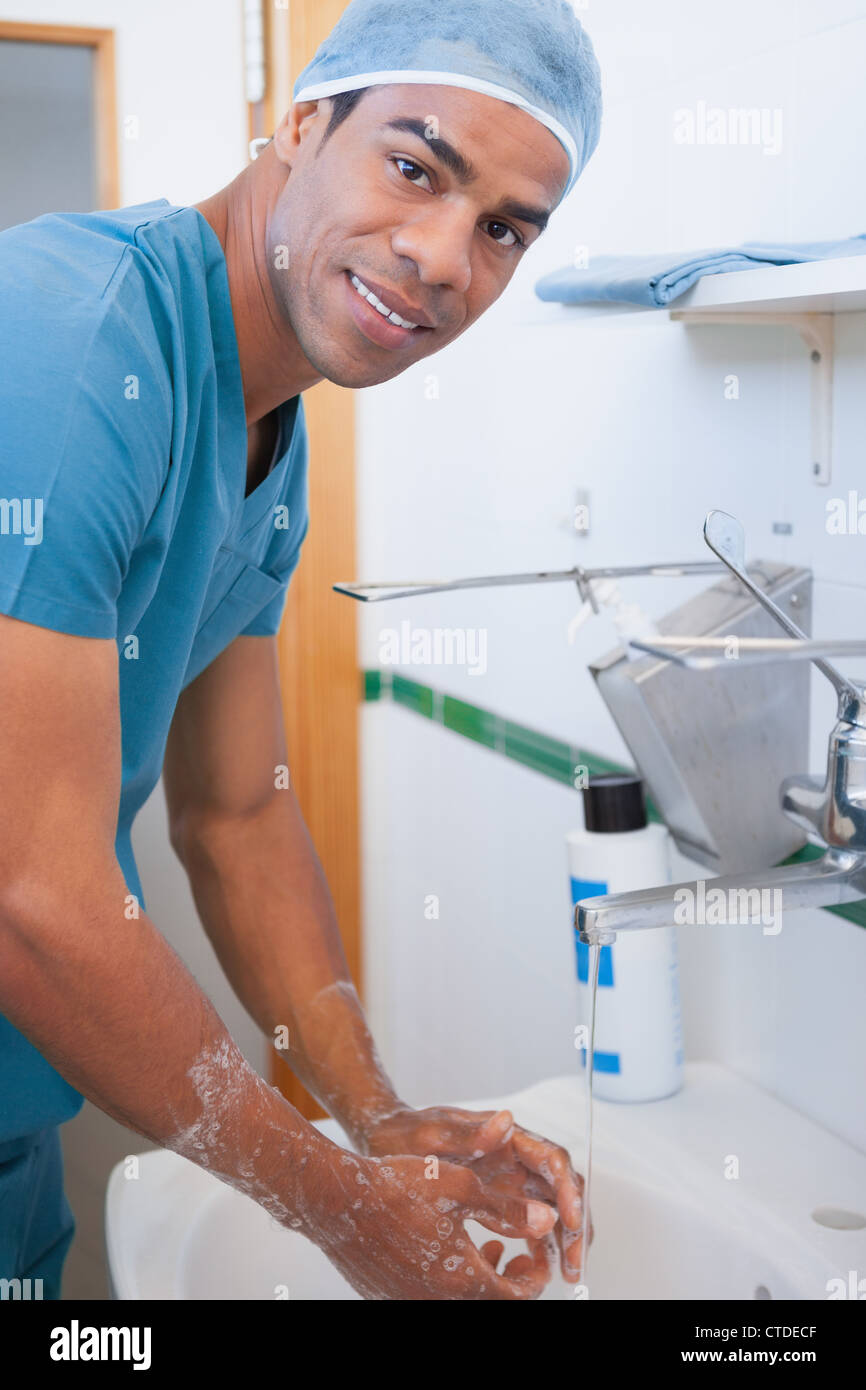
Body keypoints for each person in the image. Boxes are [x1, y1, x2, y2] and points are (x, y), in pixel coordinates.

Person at [0, 0, 602, 1300]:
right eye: (412, 166)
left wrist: (373, 1114)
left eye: (502, 227)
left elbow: (237, 810)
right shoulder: (66, 342)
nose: (445, 256)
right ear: (300, 118)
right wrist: (350, 1213)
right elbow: (35, 897)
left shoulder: (269, 432)